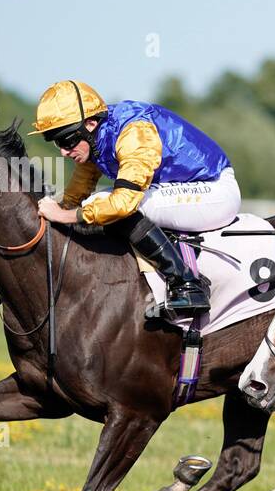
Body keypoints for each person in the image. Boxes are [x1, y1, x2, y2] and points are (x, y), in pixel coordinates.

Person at [31, 80, 242, 316]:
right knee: (99, 202)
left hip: (214, 190)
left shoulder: (134, 132)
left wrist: (65, 215)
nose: (63, 151)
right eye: (57, 141)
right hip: (182, 189)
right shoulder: (98, 135)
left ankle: (187, 284)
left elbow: (123, 204)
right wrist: (60, 208)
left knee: (112, 205)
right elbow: (82, 182)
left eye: (67, 140)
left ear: (90, 123)